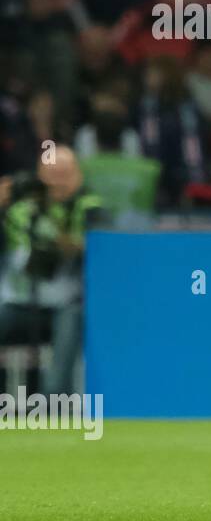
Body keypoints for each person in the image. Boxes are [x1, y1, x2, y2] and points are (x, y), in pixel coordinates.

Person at [0, 146, 102, 396]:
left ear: (78, 176)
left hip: (65, 305)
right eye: (52, 174)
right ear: (38, 176)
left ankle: (53, 405)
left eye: (65, 174)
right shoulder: (17, 209)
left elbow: (103, 252)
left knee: (70, 326)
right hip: (17, 303)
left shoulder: (90, 208)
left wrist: (69, 244)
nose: (58, 182)